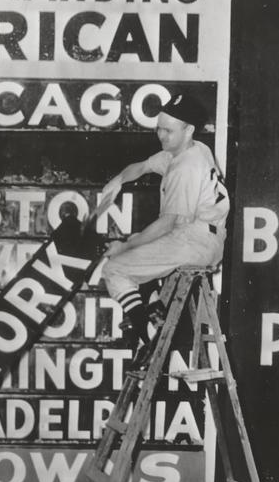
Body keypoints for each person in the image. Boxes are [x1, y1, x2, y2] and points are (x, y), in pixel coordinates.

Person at [98, 92, 230, 353]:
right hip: (201, 236)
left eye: (168, 131)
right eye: (159, 128)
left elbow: (166, 225)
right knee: (138, 242)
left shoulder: (186, 167)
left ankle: (146, 329)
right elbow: (143, 166)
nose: (161, 135)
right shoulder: (191, 149)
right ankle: (155, 315)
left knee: (115, 268)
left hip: (196, 241)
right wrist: (119, 179)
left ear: (189, 129)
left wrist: (125, 246)